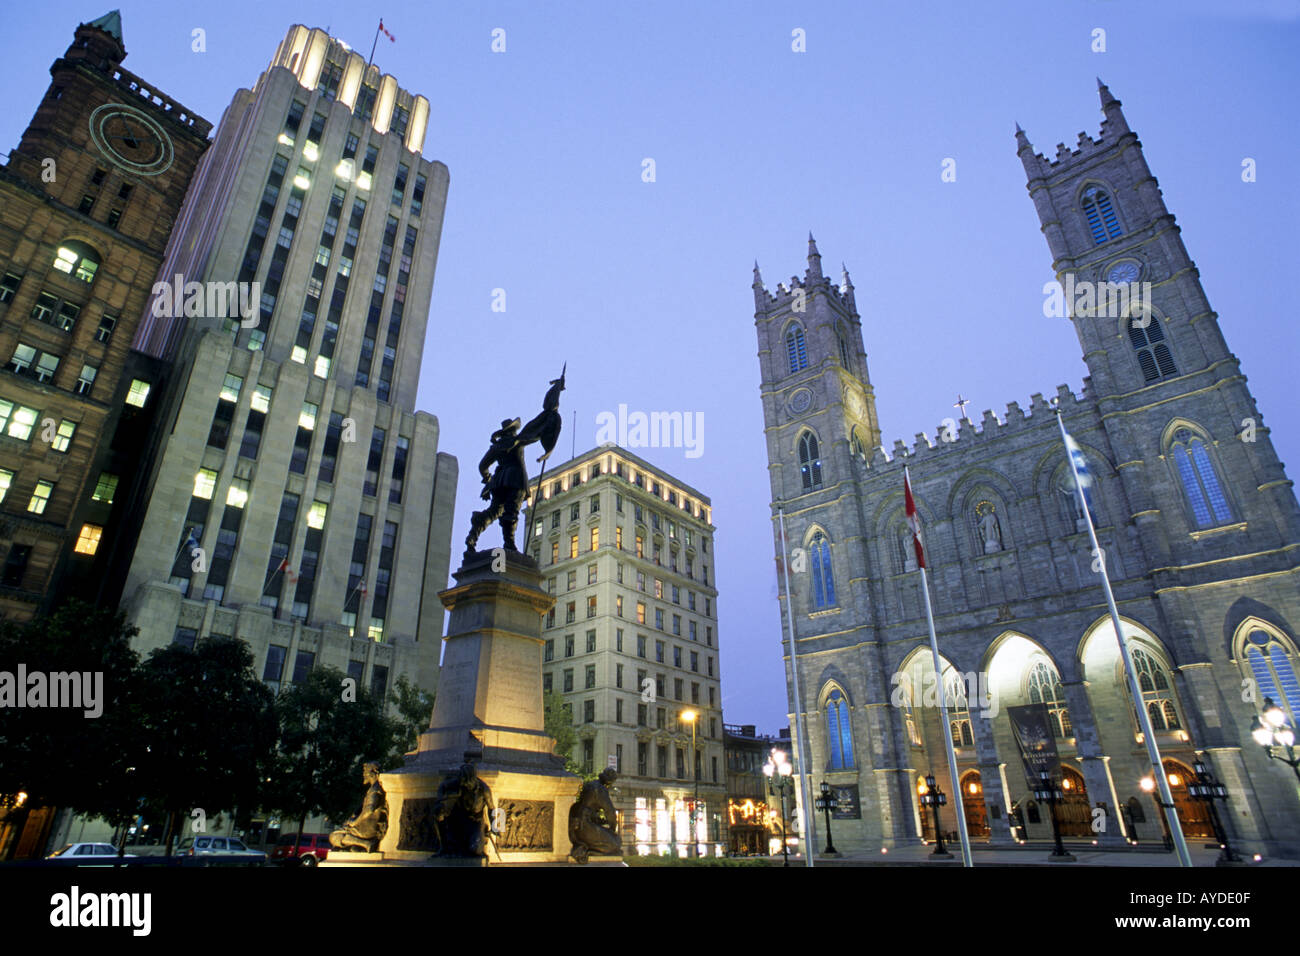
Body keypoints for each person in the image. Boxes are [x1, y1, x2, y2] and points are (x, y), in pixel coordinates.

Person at [568, 768, 622, 864]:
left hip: (579, 822)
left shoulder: (590, 784)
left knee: (613, 840)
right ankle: (586, 851)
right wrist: (612, 829)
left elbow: (587, 806)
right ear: (610, 782)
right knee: (615, 844)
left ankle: (586, 849)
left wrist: (598, 820)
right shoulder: (600, 790)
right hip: (584, 825)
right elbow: (610, 813)